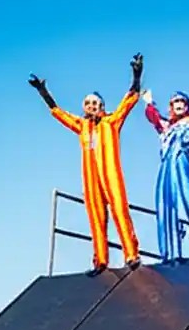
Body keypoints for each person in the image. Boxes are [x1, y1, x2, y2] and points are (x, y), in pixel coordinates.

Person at [30, 54, 144, 275]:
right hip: (91, 178)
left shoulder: (111, 121)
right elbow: (60, 114)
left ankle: (131, 253)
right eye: (88, 103)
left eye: (95, 103)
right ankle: (100, 260)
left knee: (120, 210)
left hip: (110, 174)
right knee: (95, 214)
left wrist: (137, 75)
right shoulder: (81, 126)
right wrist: (43, 92)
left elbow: (129, 101)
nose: (91, 106)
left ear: (101, 105)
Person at [142, 89, 189, 263]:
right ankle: (170, 253)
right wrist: (149, 102)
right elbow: (153, 116)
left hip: (182, 163)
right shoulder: (167, 126)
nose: (179, 105)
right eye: (176, 102)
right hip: (166, 167)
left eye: (182, 102)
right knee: (166, 205)